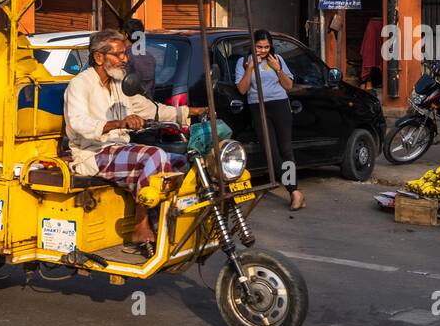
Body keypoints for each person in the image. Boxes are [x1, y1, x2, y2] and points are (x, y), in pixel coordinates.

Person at [63, 29, 206, 258]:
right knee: (153, 156)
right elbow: (79, 123)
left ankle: (161, 220)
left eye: (125, 54)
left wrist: (192, 111)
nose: (125, 59)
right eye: (118, 55)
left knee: (179, 161)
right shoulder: (80, 85)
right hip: (92, 153)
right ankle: (139, 226)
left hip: (119, 149)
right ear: (99, 57)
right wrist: (118, 122)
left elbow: (152, 110)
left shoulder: (121, 85)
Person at [235, 29, 304, 211]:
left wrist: (278, 69)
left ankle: (294, 191)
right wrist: (250, 68)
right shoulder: (243, 62)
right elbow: (242, 90)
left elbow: (288, 86)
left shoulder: (277, 60)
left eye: (266, 47)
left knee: (286, 150)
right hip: (258, 107)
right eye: (259, 46)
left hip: (280, 105)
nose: (263, 50)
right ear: (252, 45)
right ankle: (294, 190)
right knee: (271, 152)